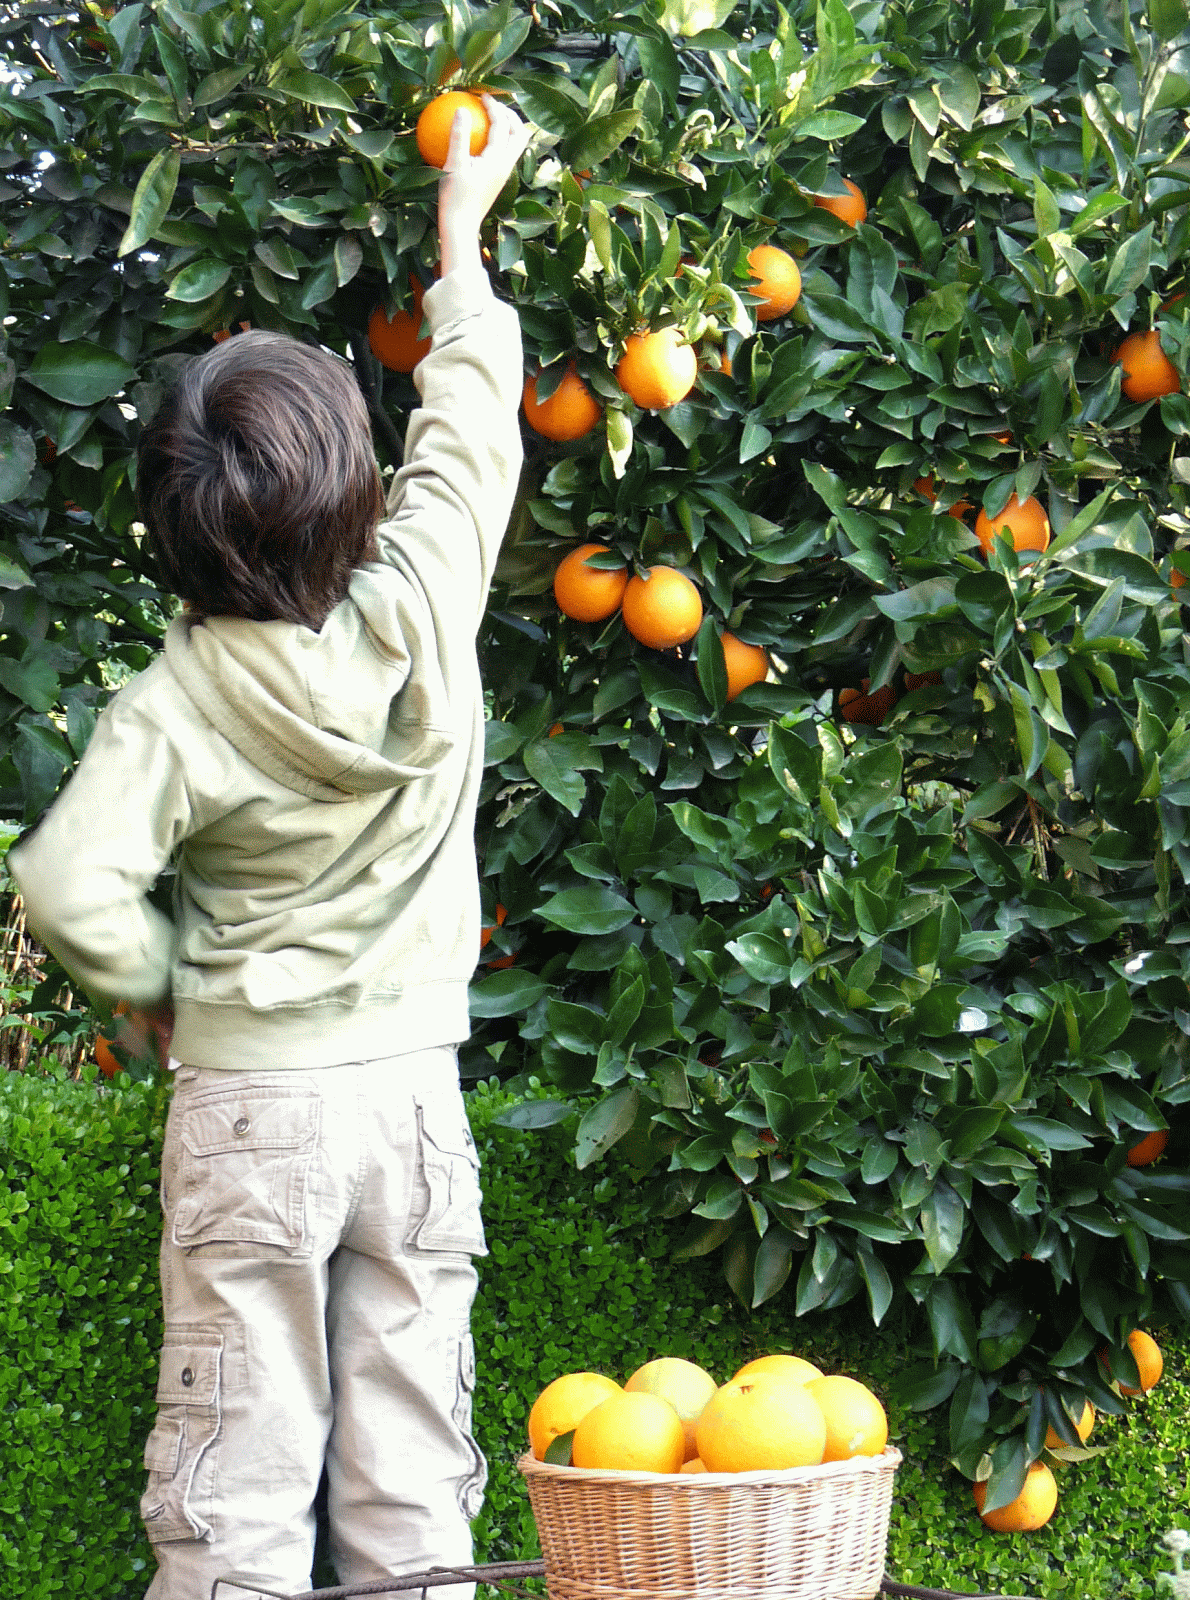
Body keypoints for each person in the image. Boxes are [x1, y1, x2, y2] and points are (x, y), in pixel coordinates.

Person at [8, 96, 532, 1600]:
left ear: (170, 528)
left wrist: (164, 991)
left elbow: (64, 881)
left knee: (235, 1475)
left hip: (251, 1105)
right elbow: (473, 418)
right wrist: (459, 231)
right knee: (412, 1465)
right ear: (358, 492)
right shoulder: (422, 605)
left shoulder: (174, 708)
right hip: (410, 1099)